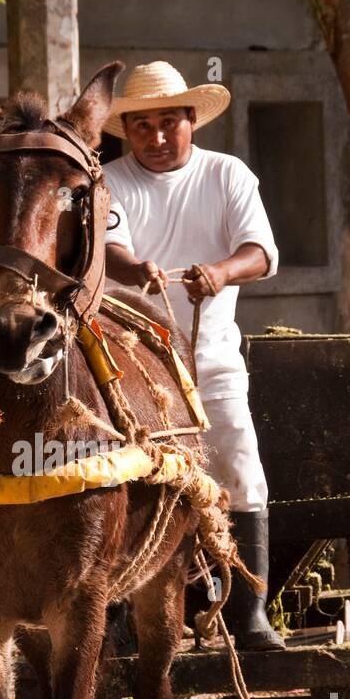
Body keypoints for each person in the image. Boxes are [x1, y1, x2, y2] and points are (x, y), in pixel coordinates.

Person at [102, 60, 284, 650]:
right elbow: (111, 253)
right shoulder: (107, 183)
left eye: (167, 124)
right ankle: (129, 614)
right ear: (126, 131)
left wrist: (220, 272)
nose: (155, 138)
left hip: (211, 359)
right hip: (132, 368)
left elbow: (259, 252)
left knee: (239, 472)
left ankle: (250, 616)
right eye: (141, 127)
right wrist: (136, 271)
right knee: (133, 484)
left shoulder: (227, 175)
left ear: (190, 121)